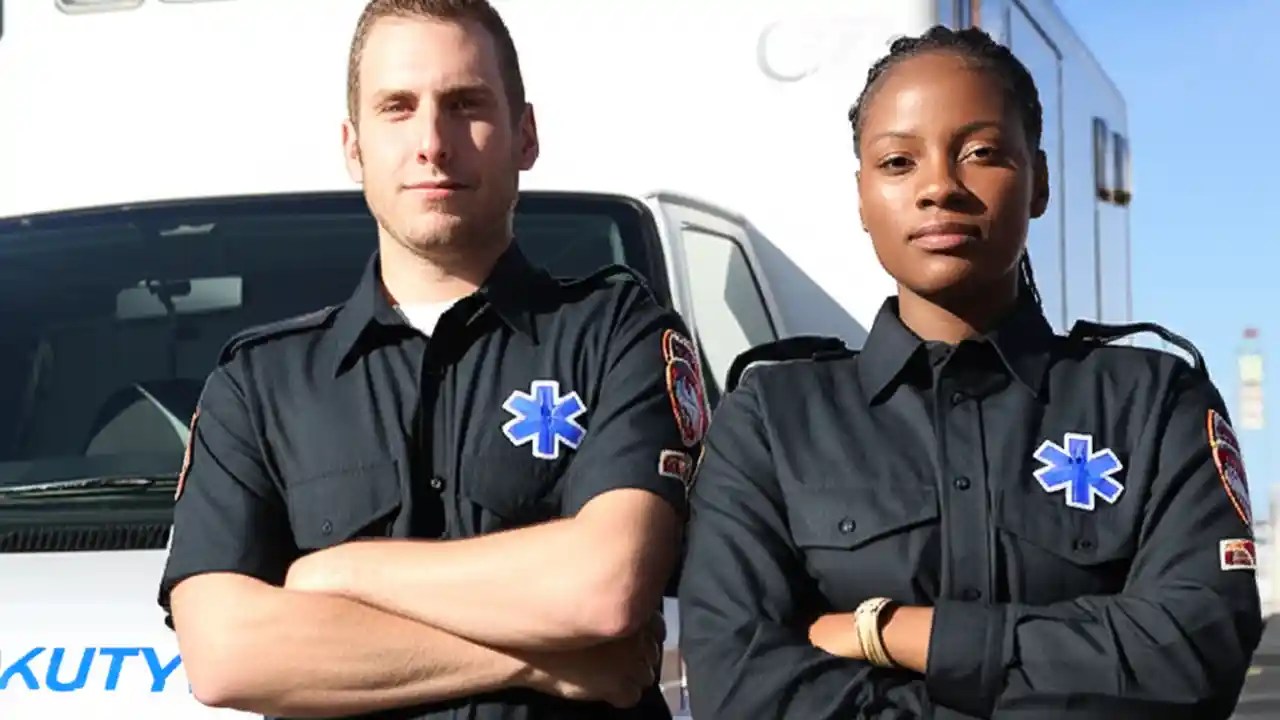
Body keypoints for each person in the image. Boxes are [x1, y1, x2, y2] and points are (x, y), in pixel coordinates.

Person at [676, 25, 1262, 720]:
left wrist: (888, 632)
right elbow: (737, 685)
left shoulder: (1153, 405)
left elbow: (1193, 657)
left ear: (1038, 182)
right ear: (861, 197)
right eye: (898, 163)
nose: (940, 189)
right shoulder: (771, 420)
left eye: (981, 153)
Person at [157, 1, 706, 718]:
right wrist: (534, 661)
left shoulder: (617, 333)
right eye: (397, 107)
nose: (433, 142)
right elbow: (225, 655)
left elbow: (606, 586)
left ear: (526, 135)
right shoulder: (260, 384)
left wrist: (336, 571)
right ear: (353, 147)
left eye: (465, 104)